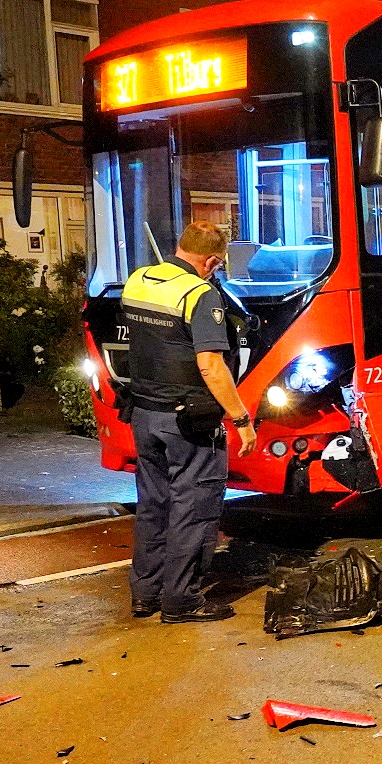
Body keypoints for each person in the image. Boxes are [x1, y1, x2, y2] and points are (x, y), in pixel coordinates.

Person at [119, 221, 257, 623]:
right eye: (217, 265)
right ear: (212, 260)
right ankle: (182, 601)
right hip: (190, 423)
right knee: (193, 510)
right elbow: (211, 366)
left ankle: (145, 594)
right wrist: (241, 418)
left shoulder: (139, 280)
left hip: (145, 415)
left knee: (153, 507)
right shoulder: (201, 294)